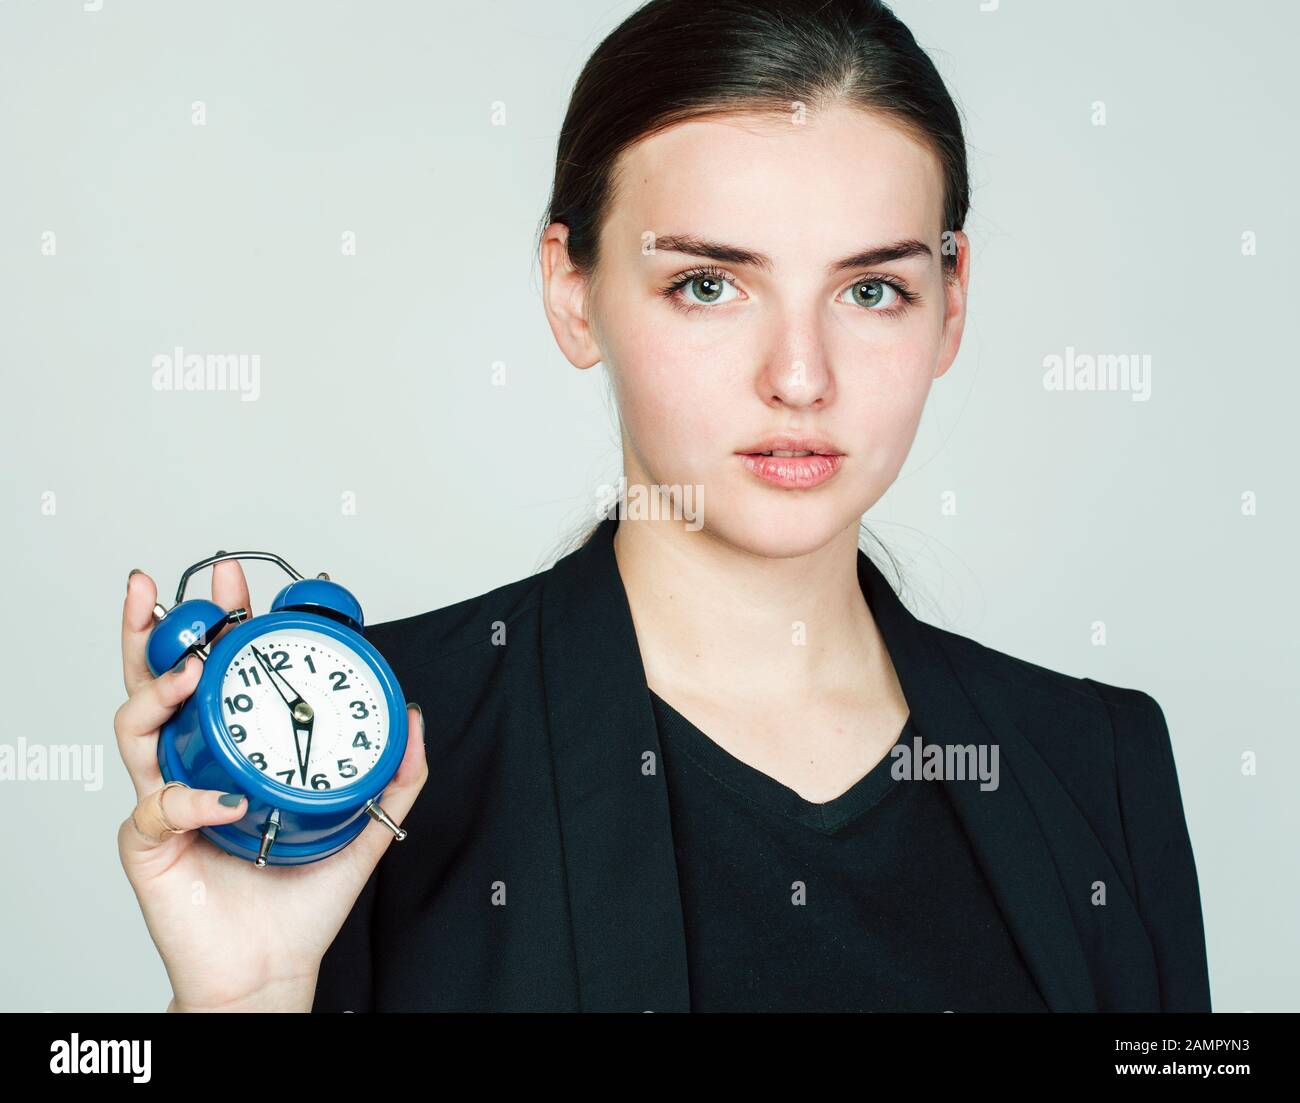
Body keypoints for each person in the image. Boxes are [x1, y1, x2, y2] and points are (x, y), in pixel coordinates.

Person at [115, 0, 1211, 1012]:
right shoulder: (380, 758)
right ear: (572, 290)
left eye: (871, 289)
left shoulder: (1095, 763)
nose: (799, 377)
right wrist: (249, 995)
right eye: (709, 284)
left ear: (951, 302)